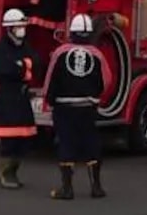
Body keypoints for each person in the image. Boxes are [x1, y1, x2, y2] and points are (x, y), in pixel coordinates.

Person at [43, 14, 112, 200]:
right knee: (92, 144)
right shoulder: (97, 54)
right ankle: (96, 187)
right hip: (87, 107)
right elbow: (107, 80)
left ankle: (67, 189)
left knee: (66, 144)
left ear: (71, 32)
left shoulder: (60, 52)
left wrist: (48, 99)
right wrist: (96, 96)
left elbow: (50, 79)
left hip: (64, 107)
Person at [0, 8, 39, 190]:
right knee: (8, 140)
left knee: (23, 140)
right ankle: (6, 173)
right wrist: (24, 68)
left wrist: (23, 66)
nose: (21, 29)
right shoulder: (1, 47)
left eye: (22, 26)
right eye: (18, 26)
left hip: (22, 97)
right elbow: (5, 69)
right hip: (7, 98)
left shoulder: (25, 46)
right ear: (9, 28)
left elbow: (36, 61)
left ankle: (15, 170)